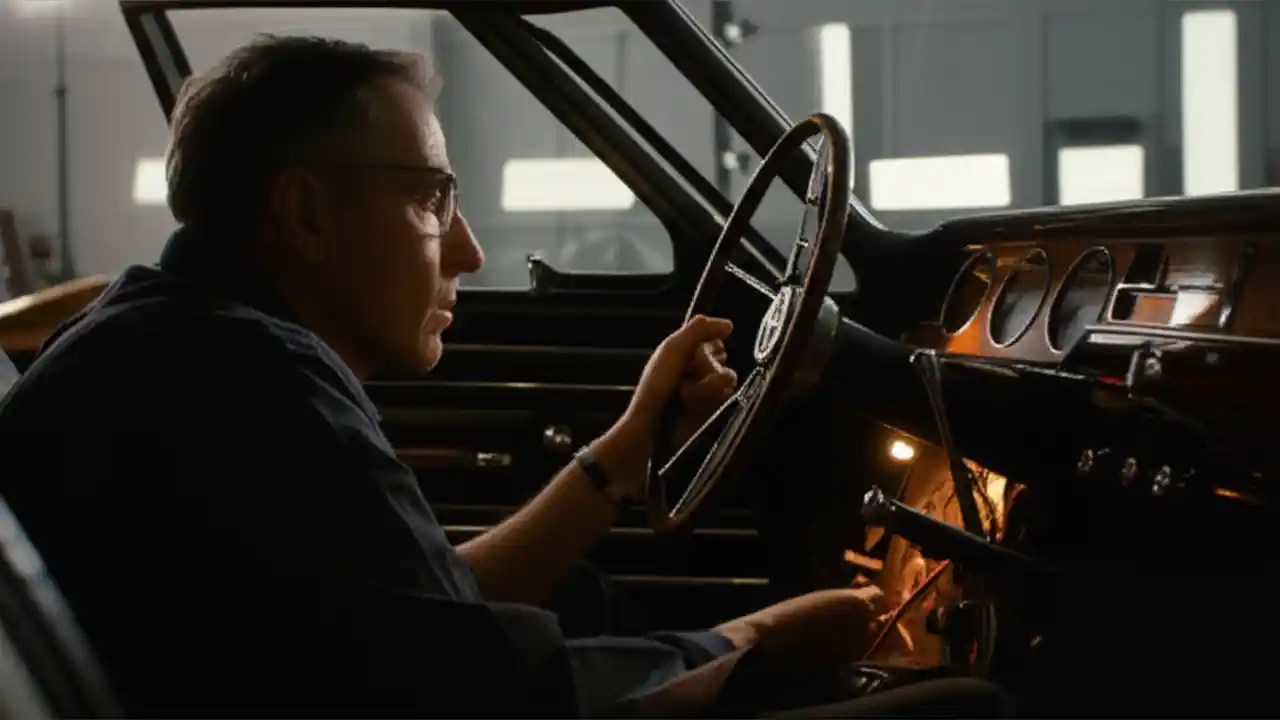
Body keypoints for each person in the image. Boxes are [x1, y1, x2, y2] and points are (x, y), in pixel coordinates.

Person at [0, 35, 1007, 717]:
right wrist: (759, 635)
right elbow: (485, 692)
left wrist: (632, 441)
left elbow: (431, 609)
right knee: (966, 707)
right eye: (433, 198)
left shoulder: (192, 341)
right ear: (302, 213)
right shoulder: (247, 382)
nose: (469, 251)